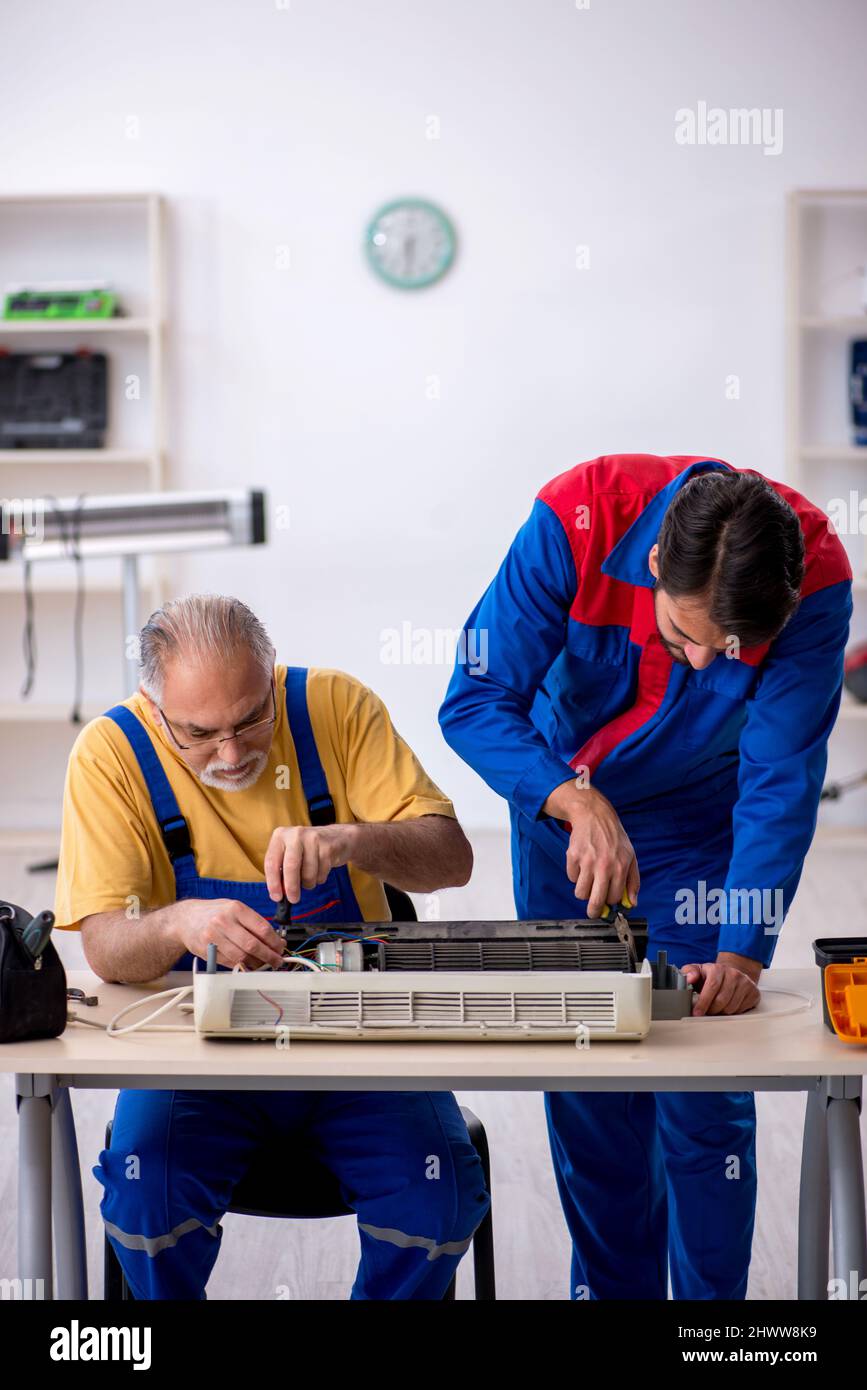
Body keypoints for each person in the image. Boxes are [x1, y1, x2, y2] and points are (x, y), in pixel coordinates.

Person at [439, 453, 852, 1299]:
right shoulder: (574, 520)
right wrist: (570, 801)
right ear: (656, 564)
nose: (705, 665)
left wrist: (740, 951)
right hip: (563, 817)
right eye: (683, 635)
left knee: (701, 1092)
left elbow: (779, 780)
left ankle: (712, 1330)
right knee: (591, 1088)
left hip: (698, 827)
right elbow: (474, 699)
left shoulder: (815, 572)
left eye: (730, 651)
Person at [54, 593, 489, 1300]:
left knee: (435, 1202)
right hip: (194, 1059)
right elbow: (105, 947)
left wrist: (353, 840)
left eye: (253, 718)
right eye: (199, 733)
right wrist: (176, 925)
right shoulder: (110, 755)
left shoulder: (336, 708)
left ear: (271, 673)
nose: (231, 754)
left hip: (359, 1043)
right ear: (152, 707)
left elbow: (451, 861)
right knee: (145, 1202)